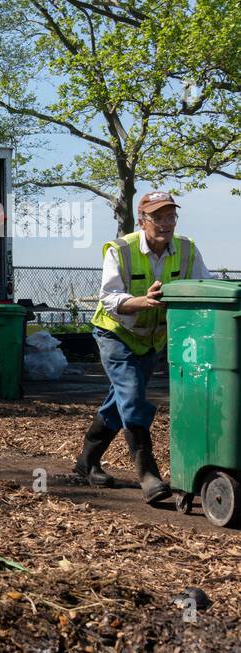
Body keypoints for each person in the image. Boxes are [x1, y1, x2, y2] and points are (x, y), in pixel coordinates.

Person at [75, 190, 210, 502]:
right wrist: (142, 301)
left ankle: (87, 462)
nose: (166, 223)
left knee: (119, 401)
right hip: (116, 333)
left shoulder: (187, 249)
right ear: (142, 220)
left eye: (171, 216)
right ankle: (148, 473)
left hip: (152, 339)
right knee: (132, 396)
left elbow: (204, 285)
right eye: (158, 217)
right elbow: (108, 299)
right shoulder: (120, 249)